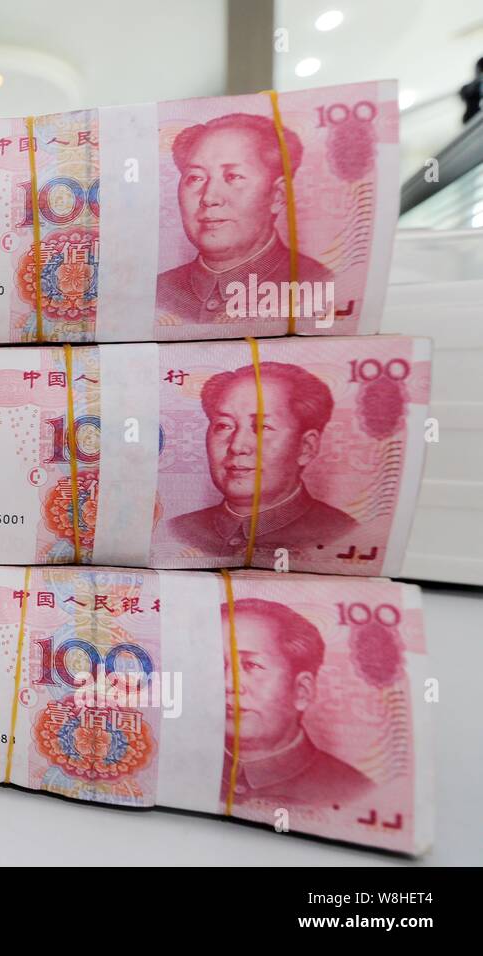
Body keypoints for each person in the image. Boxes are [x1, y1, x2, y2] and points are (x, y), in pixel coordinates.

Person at [163, 361, 357, 553]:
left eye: (262, 427)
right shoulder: (178, 531)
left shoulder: (342, 533)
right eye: (224, 426)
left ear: (306, 447)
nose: (237, 446)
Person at [156, 113, 331, 324]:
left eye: (233, 177)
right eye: (195, 178)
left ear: (278, 196)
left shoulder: (320, 283)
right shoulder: (159, 292)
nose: (209, 198)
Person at [220, 598, 373, 806]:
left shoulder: (355, 793)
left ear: (302, 691)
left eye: (251, 665)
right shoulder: (178, 764)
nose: (227, 683)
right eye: (217, 664)